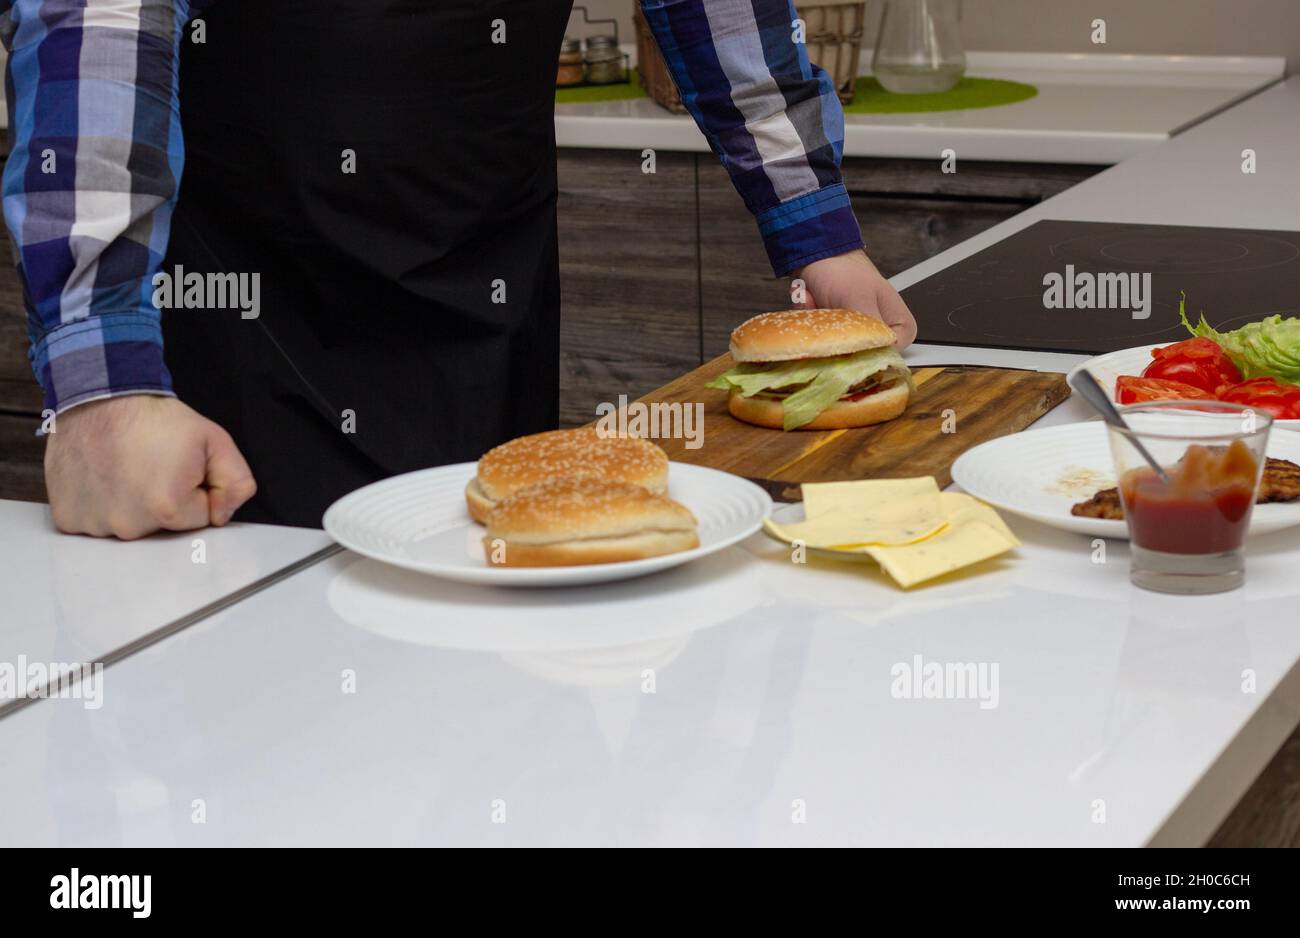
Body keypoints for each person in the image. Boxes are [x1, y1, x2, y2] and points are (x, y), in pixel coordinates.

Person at [2, 0, 917, 537]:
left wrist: (815, 229)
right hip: (248, 289)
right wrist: (103, 373)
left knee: (488, 671)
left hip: (487, 257)